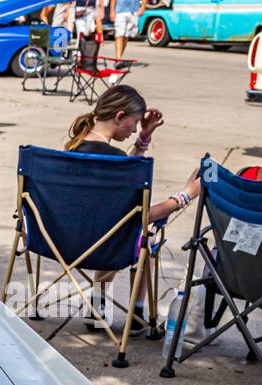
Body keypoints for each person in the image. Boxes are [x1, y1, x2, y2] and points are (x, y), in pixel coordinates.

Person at [64, 86, 201, 331]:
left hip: (61, 241)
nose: (135, 129)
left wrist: (144, 138)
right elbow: (141, 215)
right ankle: (137, 314)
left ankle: (98, 307)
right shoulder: (113, 160)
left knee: (111, 226)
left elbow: (122, 166)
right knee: (142, 236)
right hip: (101, 247)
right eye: (135, 123)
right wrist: (185, 195)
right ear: (119, 117)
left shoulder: (71, 149)